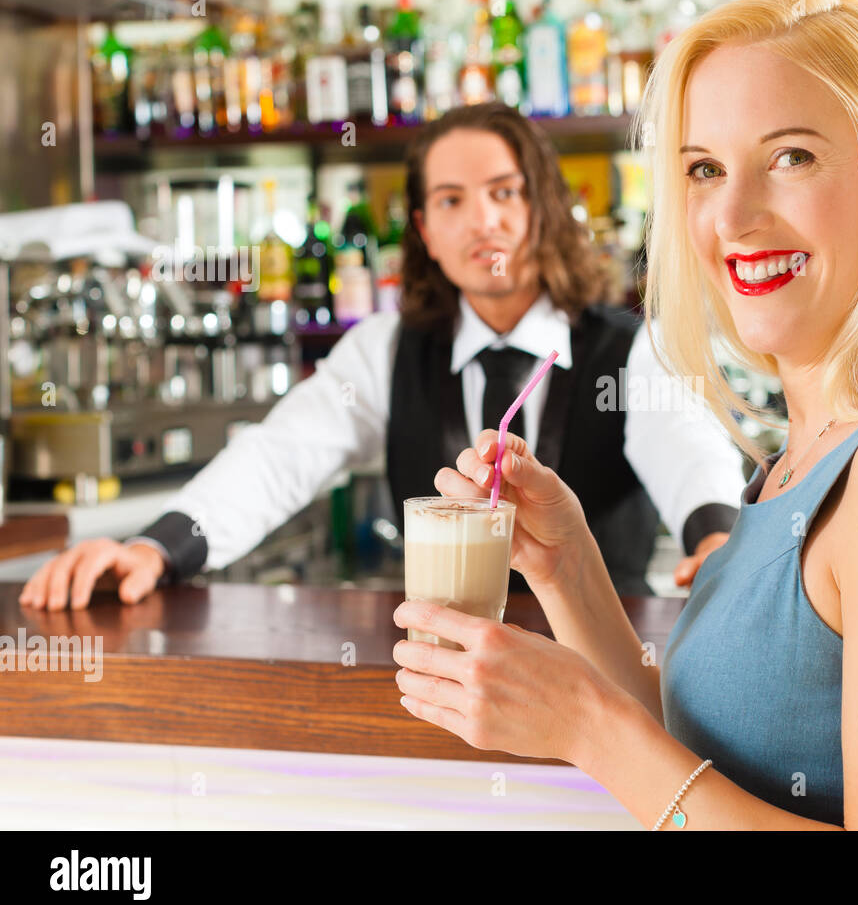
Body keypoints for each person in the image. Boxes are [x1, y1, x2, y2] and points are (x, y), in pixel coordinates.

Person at [391, 0, 858, 829]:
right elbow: (709, 755)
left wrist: (590, 730)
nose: (735, 216)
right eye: (705, 170)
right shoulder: (817, 450)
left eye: (792, 156)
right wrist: (567, 567)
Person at [19, 103, 744, 610]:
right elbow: (280, 455)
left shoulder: (631, 349)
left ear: (541, 208)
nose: (484, 220)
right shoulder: (385, 349)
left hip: (601, 675)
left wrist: (717, 539)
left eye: (504, 193)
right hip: (441, 681)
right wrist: (160, 548)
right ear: (426, 230)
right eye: (453, 201)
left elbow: (684, 447)